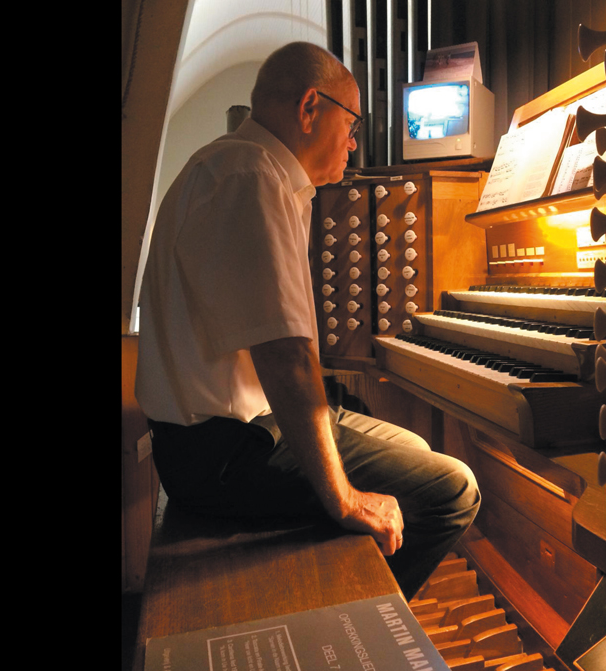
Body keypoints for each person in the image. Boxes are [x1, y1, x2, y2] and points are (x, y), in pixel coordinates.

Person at [135, 41, 479, 600]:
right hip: (224, 453)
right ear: (309, 108)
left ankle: (350, 595)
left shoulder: (244, 168)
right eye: (352, 124)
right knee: (452, 490)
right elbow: (286, 358)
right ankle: (361, 626)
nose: (353, 142)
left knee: (417, 452)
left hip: (234, 432)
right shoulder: (249, 174)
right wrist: (344, 499)